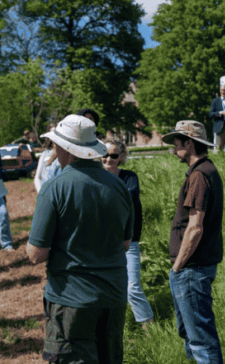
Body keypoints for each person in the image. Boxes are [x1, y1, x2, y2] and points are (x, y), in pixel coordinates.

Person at [27, 115, 134, 364]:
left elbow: (35, 254)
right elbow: (126, 244)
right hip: (113, 297)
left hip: (72, 300)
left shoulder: (55, 188)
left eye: (55, 144)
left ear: (65, 148)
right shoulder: (119, 187)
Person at [161, 120, 224, 364]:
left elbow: (195, 227)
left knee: (200, 339)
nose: (173, 147)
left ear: (189, 143)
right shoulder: (205, 171)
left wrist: (177, 267)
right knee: (191, 334)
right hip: (192, 267)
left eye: (176, 142)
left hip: (192, 268)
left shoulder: (199, 175)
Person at [101, 139, 154, 328]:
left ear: (121, 157)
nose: (108, 159)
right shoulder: (95, 177)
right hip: (103, 242)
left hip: (129, 241)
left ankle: (149, 328)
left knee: (132, 287)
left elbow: (129, 199)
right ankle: (112, 329)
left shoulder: (129, 177)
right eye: (105, 154)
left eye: (114, 155)